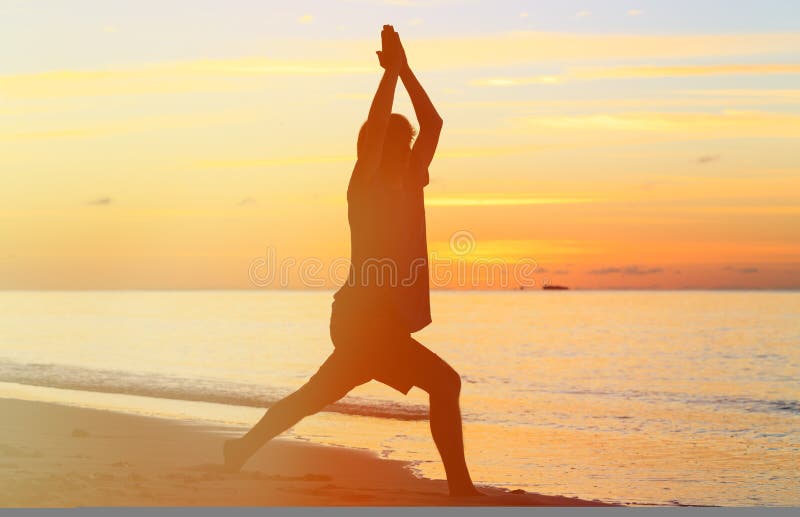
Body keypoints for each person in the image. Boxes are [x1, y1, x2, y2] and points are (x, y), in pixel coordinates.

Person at [223, 25, 481, 497]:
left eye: (408, 148)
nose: (406, 153)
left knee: (313, 396)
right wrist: (387, 80)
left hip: (375, 323)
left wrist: (405, 71)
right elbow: (378, 127)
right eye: (396, 147)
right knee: (445, 384)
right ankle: (460, 489)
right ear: (379, 151)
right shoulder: (363, 188)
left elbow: (435, 124)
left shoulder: (411, 183)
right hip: (363, 321)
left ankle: (239, 450)